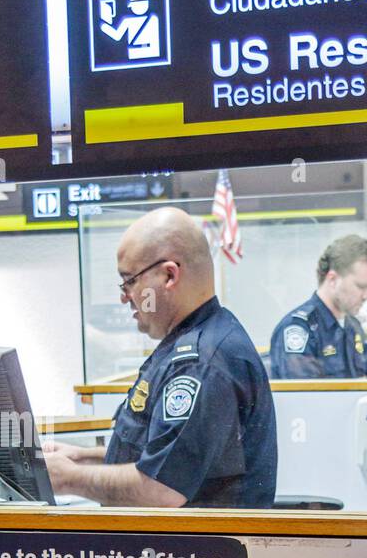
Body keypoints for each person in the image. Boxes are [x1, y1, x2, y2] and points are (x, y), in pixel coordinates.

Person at [43, 207, 277, 508]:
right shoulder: (194, 340)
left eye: (129, 281)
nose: (124, 296)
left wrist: (68, 478)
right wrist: (82, 456)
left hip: (194, 553)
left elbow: (160, 488)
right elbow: (168, 452)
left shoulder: (201, 363)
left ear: (169, 275)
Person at [269, 235, 367, 379]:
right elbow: (303, 398)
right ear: (333, 279)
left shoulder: (353, 326)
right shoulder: (300, 329)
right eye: (361, 287)